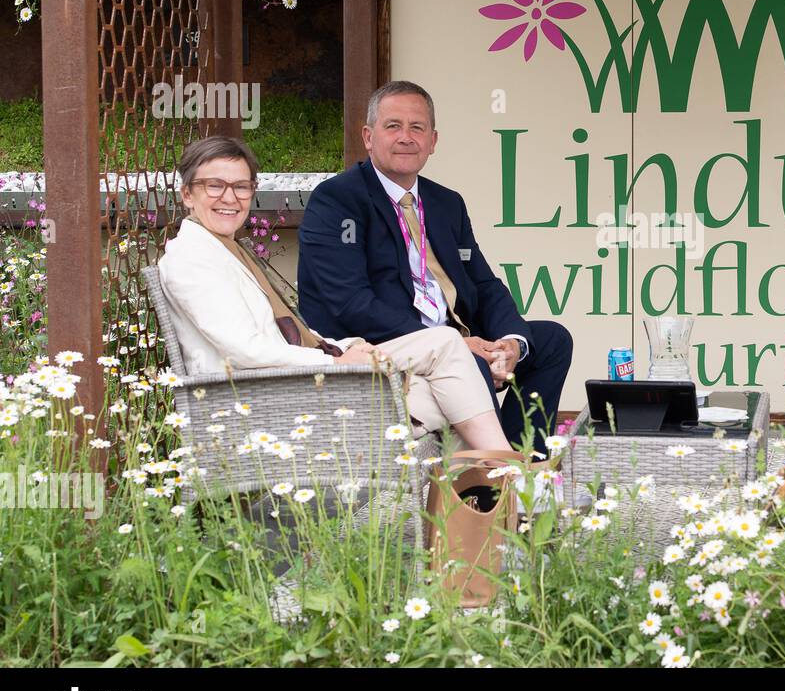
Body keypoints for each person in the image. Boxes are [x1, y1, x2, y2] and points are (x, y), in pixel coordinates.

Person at [158, 135, 512, 453]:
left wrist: (345, 347)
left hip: (301, 376)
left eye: (241, 187)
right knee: (452, 393)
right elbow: (245, 350)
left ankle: (495, 484)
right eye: (214, 186)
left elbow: (289, 331)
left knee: (446, 344)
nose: (229, 198)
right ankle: (507, 480)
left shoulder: (228, 248)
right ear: (188, 194)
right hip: (269, 402)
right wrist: (335, 362)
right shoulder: (192, 259)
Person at [296, 80, 572, 455]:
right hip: (384, 346)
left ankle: (526, 459)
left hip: (452, 338)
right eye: (393, 126)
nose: (406, 137)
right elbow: (349, 303)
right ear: (368, 136)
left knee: (551, 340)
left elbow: (484, 285)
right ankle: (497, 485)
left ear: (433, 140)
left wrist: (510, 342)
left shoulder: (446, 203)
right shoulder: (337, 200)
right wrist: (456, 343)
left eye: (417, 128)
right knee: (465, 357)